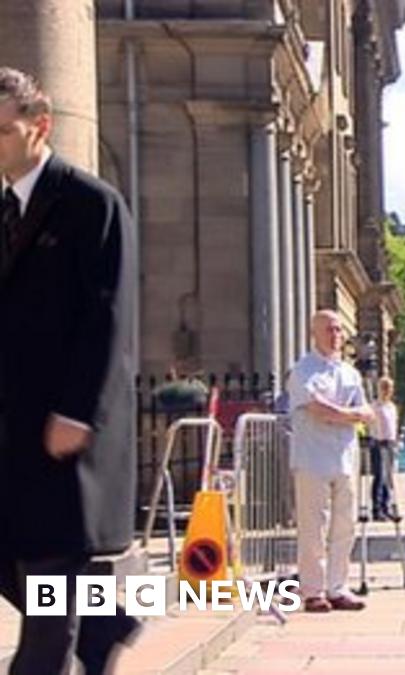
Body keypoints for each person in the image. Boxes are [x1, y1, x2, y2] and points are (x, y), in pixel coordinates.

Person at [0, 66, 141, 675]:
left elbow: (109, 318)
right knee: (23, 563)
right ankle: (105, 618)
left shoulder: (90, 204)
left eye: (3, 131)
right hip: (11, 431)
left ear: (40, 126)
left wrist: (78, 411)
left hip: (66, 434)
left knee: (48, 599)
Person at [288, 310, 374, 613]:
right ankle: (313, 589)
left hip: (345, 456)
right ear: (315, 333)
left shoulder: (349, 373)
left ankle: (338, 586)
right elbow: (317, 408)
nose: (335, 335)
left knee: (344, 525)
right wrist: (349, 415)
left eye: (338, 329)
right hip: (313, 457)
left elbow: (367, 411)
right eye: (329, 329)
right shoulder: (303, 370)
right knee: (314, 526)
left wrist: (345, 415)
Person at [368, 376, 400, 521]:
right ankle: (377, 508)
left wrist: (395, 441)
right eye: (384, 388)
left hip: (390, 443)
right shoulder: (375, 406)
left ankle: (387, 507)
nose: (387, 391)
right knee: (379, 476)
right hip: (378, 442)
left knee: (388, 476)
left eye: (389, 388)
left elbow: (394, 426)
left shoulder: (392, 407)